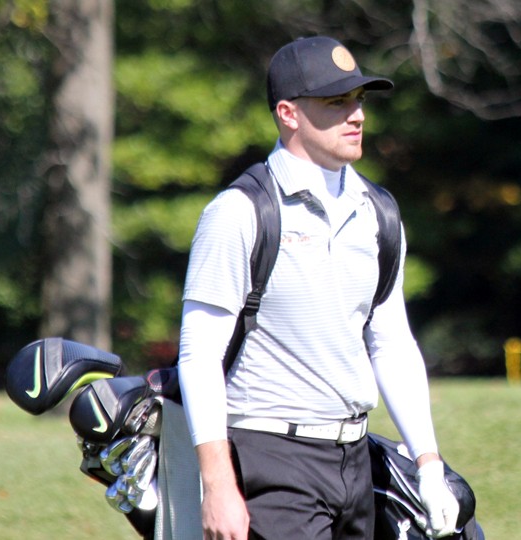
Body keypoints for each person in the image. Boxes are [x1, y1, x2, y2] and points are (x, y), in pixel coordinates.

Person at [176, 35, 460, 540]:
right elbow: (198, 357)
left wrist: (429, 463)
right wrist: (219, 486)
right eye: (336, 102)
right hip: (271, 460)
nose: (357, 116)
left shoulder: (379, 212)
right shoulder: (238, 213)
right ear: (288, 113)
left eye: (358, 100)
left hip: (356, 460)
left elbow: (391, 343)